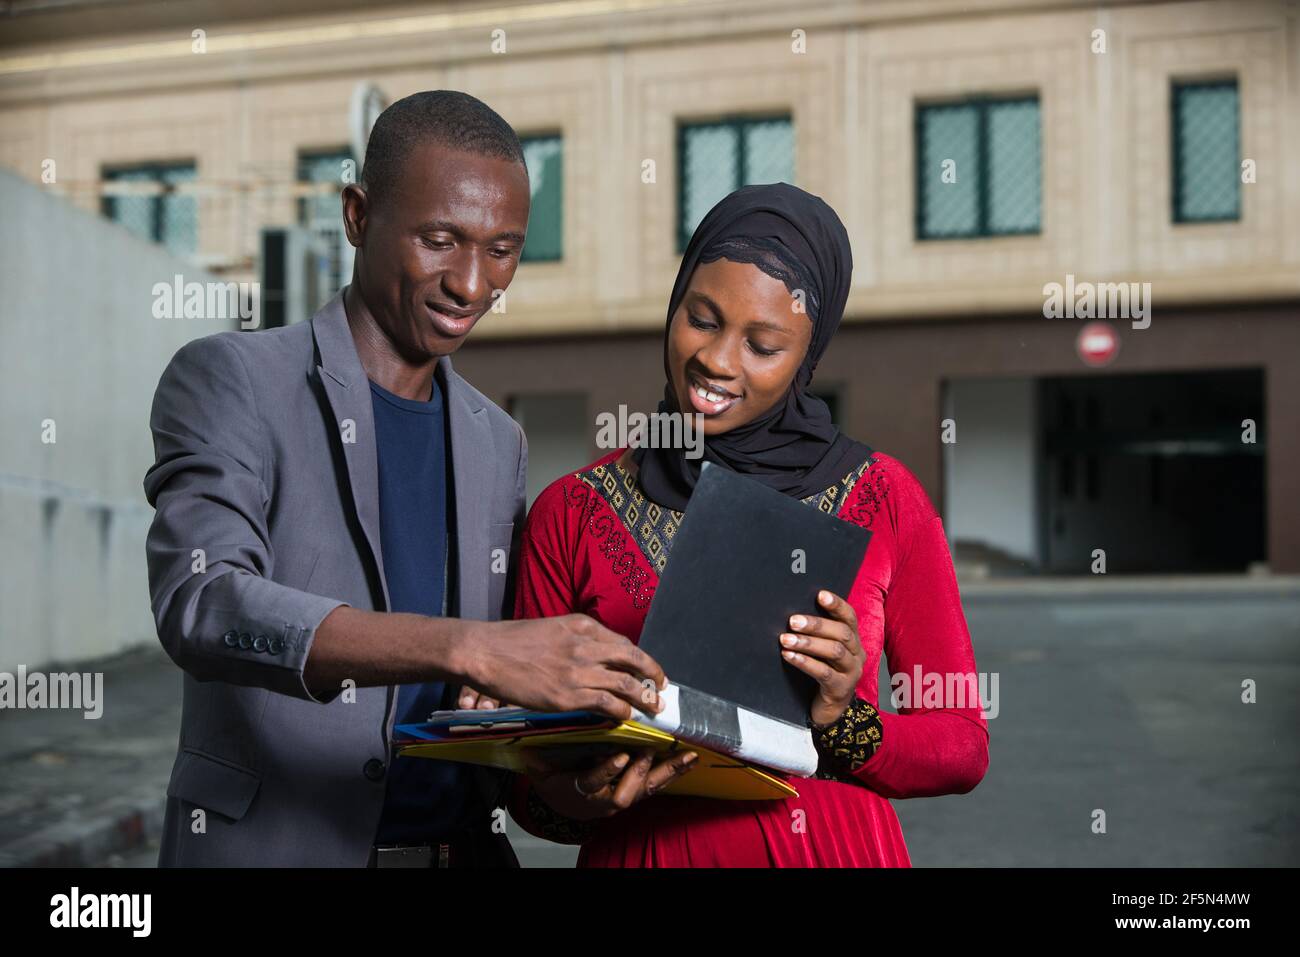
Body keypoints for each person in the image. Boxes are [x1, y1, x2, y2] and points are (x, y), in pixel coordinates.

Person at [142, 90, 671, 868]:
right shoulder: (233, 379)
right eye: (441, 239)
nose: (471, 282)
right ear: (357, 215)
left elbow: (492, 701)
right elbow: (203, 602)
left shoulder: (499, 440)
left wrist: (573, 775)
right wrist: (469, 648)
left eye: (503, 249)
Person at [500, 183, 989, 866]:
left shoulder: (887, 498)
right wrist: (586, 790)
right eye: (701, 319)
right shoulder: (572, 512)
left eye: (763, 344)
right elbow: (529, 791)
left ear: (807, 358)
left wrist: (844, 717)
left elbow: (963, 746)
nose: (718, 361)